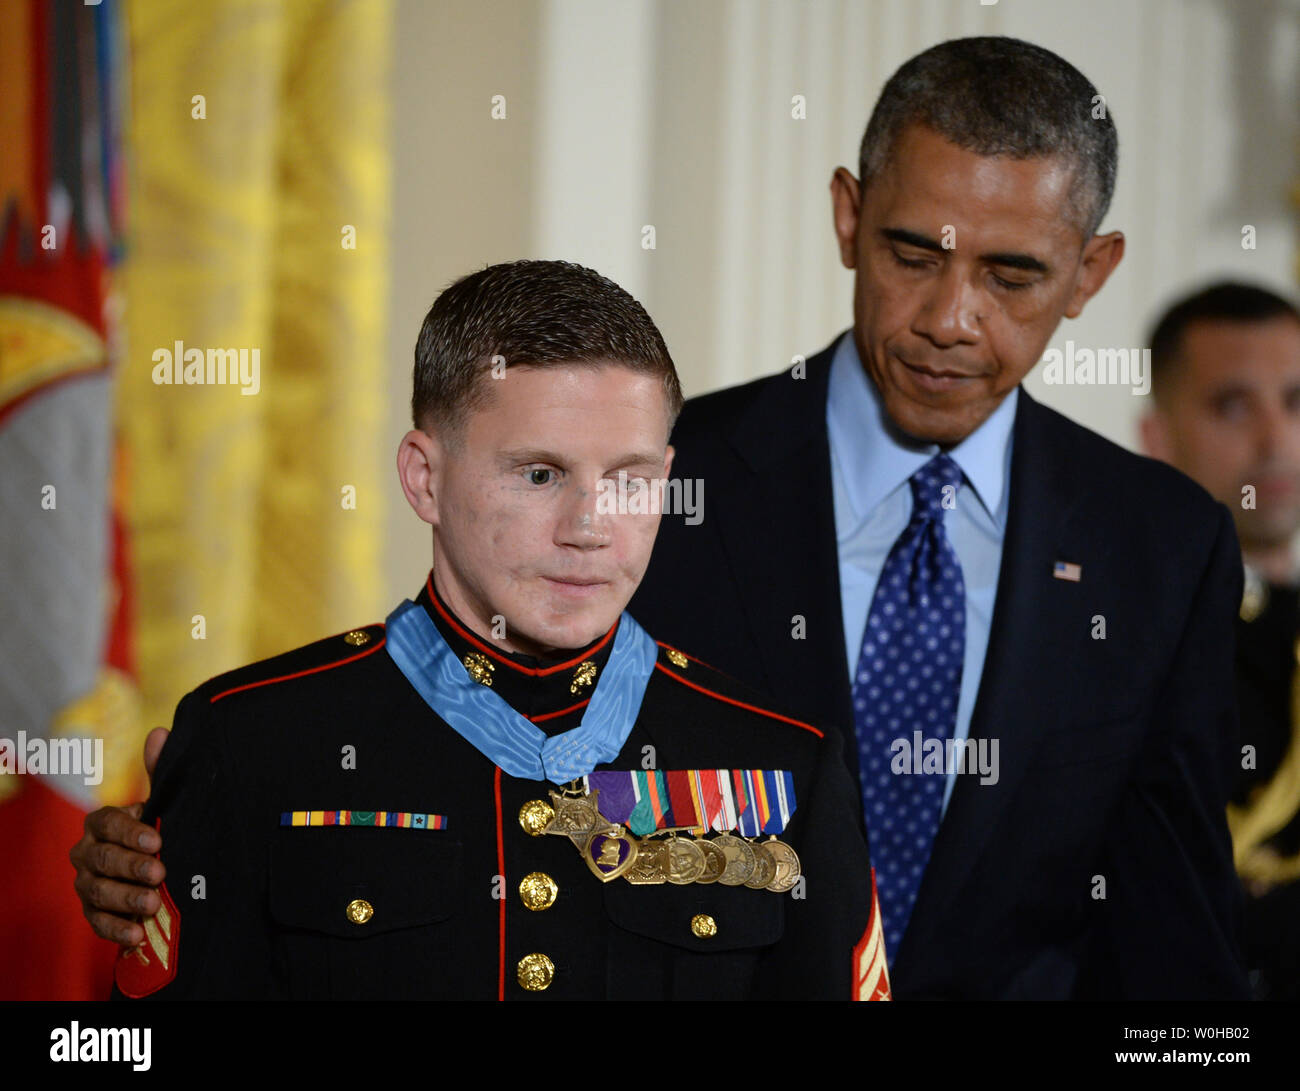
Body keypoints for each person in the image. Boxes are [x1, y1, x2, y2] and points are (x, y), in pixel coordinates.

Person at [75, 35, 1249, 1000]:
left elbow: (1173, 933)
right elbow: (425, 740)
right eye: (911, 253)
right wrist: (188, 855)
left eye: (1012, 276)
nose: (950, 316)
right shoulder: (652, 480)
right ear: (847, 216)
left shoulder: (1162, 544)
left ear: (1090, 274)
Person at [84, 259, 885, 1001]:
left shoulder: (787, 765)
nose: (590, 527)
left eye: (628, 480)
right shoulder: (251, 741)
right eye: (540, 474)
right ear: (423, 479)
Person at [1139, 281, 1300, 999]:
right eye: (1233, 405)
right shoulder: (1109, 636)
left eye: (1296, 402)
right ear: (1158, 436)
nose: (1277, 440)